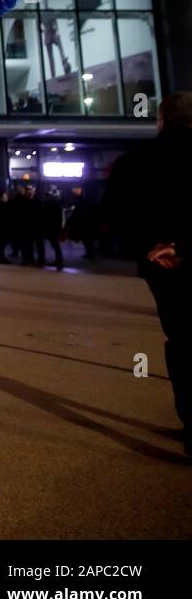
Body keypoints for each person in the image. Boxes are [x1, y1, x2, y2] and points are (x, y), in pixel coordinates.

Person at [103, 92, 192, 453]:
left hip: (162, 266)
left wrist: (153, 248)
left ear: (162, 119)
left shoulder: (135, 163)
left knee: (183, 340)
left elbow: (114, 215)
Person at [41, 189, 65, 269]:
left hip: (52, 228)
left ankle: (59, 260)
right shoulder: (55, 203)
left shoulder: (49, 204)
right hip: (54, 227)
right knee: (55, 244)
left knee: (55, 244)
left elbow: (47, 217)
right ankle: (59, 259)